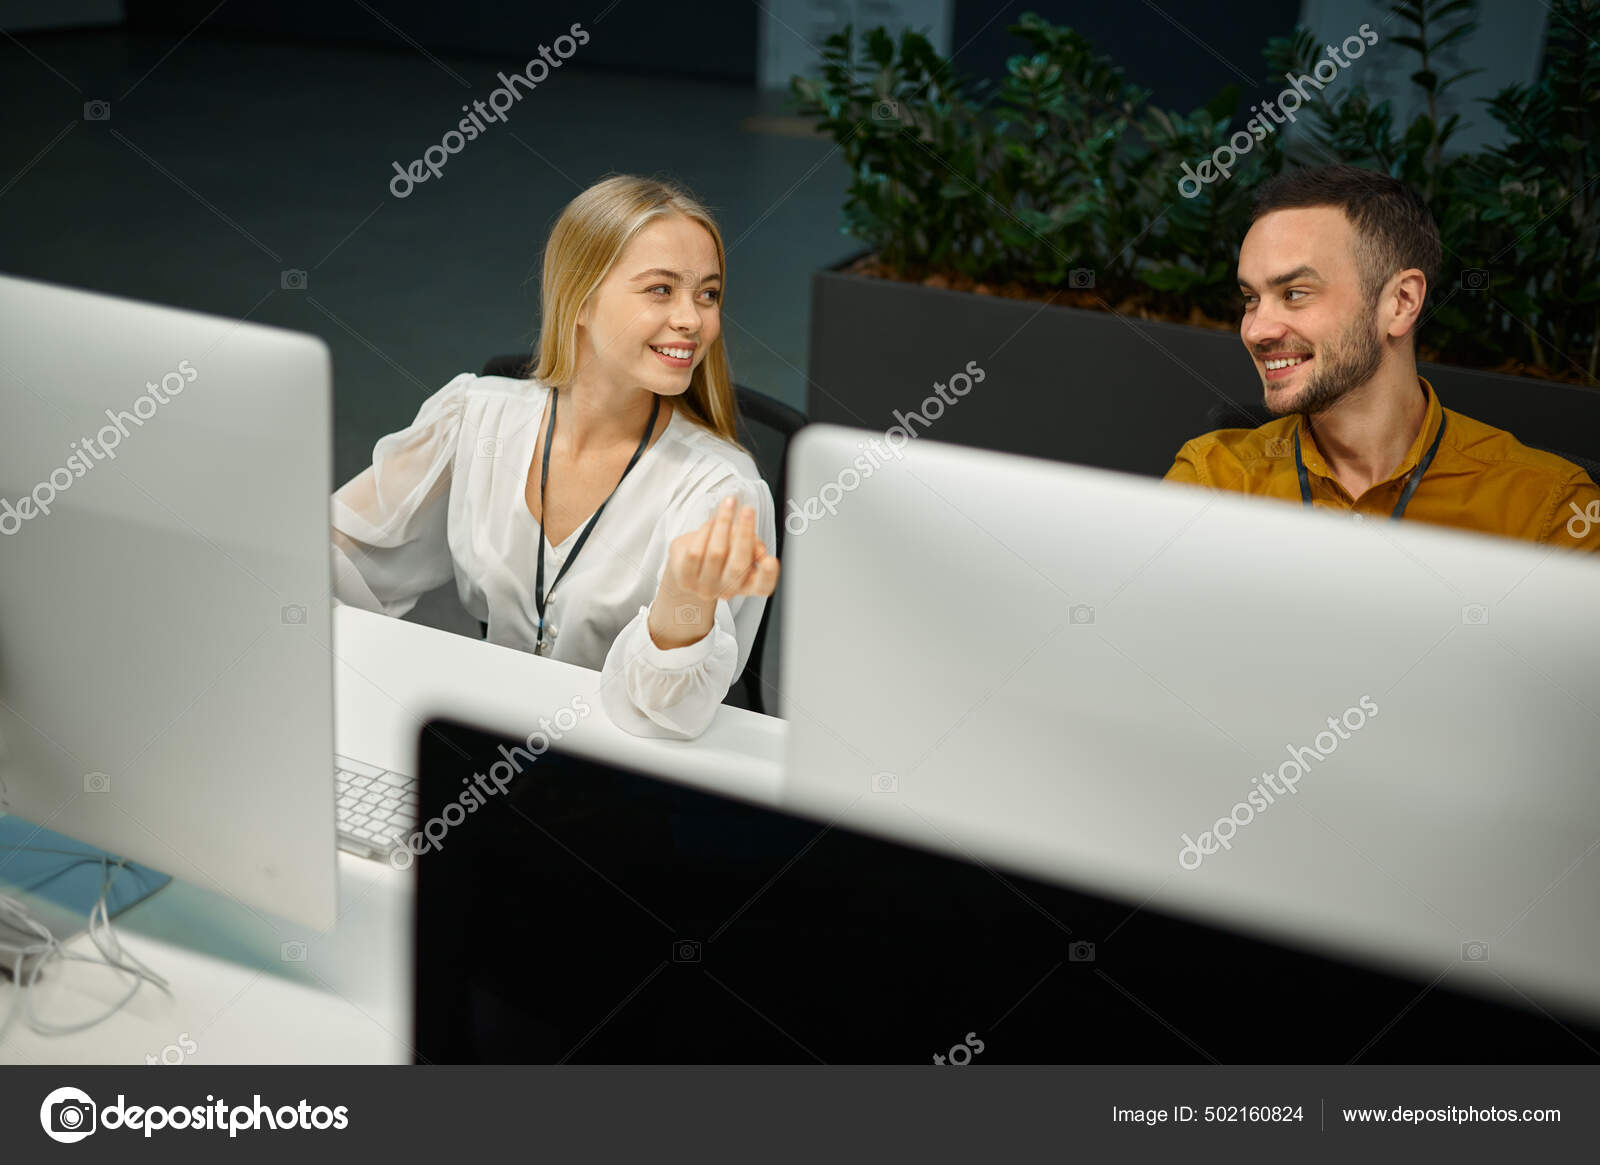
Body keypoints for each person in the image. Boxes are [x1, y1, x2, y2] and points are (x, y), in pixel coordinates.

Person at [330, 175, 780, 739]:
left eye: (707, 293)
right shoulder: (474, 418)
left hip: (616, 773)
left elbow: (669, 716)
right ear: (582, 297)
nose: (694, 320)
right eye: (661, 290)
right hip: (482, 741)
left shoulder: (718, 490)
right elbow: (332, 560)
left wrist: (683, 607)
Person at [1166, 164, 1599, 551]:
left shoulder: (1553, 510)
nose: (1257, 329)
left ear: (1401, 302)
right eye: (1250, 298)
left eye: (1294, 294)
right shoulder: (1212, 478)